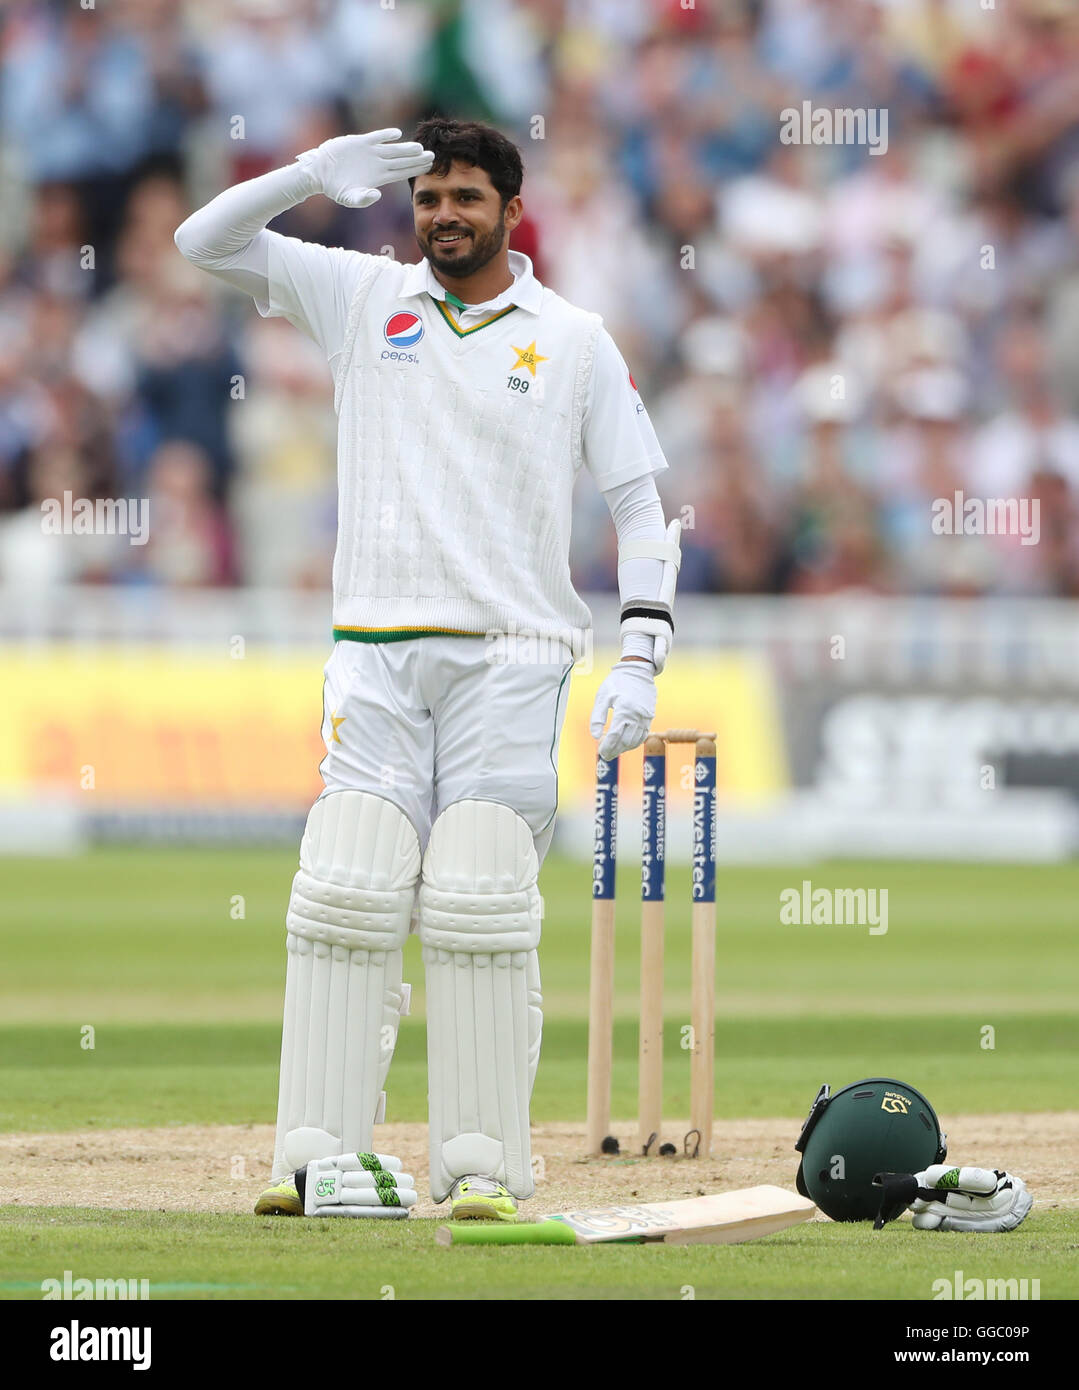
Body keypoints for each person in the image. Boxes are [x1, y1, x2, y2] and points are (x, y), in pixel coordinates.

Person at [174, 119, 681, 1221]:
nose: (444, 214)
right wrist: (309, 176)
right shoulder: (365, 296)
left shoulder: (575, 339)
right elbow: (201, 241)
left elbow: (640, 506)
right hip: (373, 652)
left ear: (511, 206)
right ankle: (317, 1159)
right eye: (429, 197)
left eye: (466, 196)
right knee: (346, 885)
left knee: (475, 894)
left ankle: (482, 1167)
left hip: (512, 655)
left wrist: (640, 653)